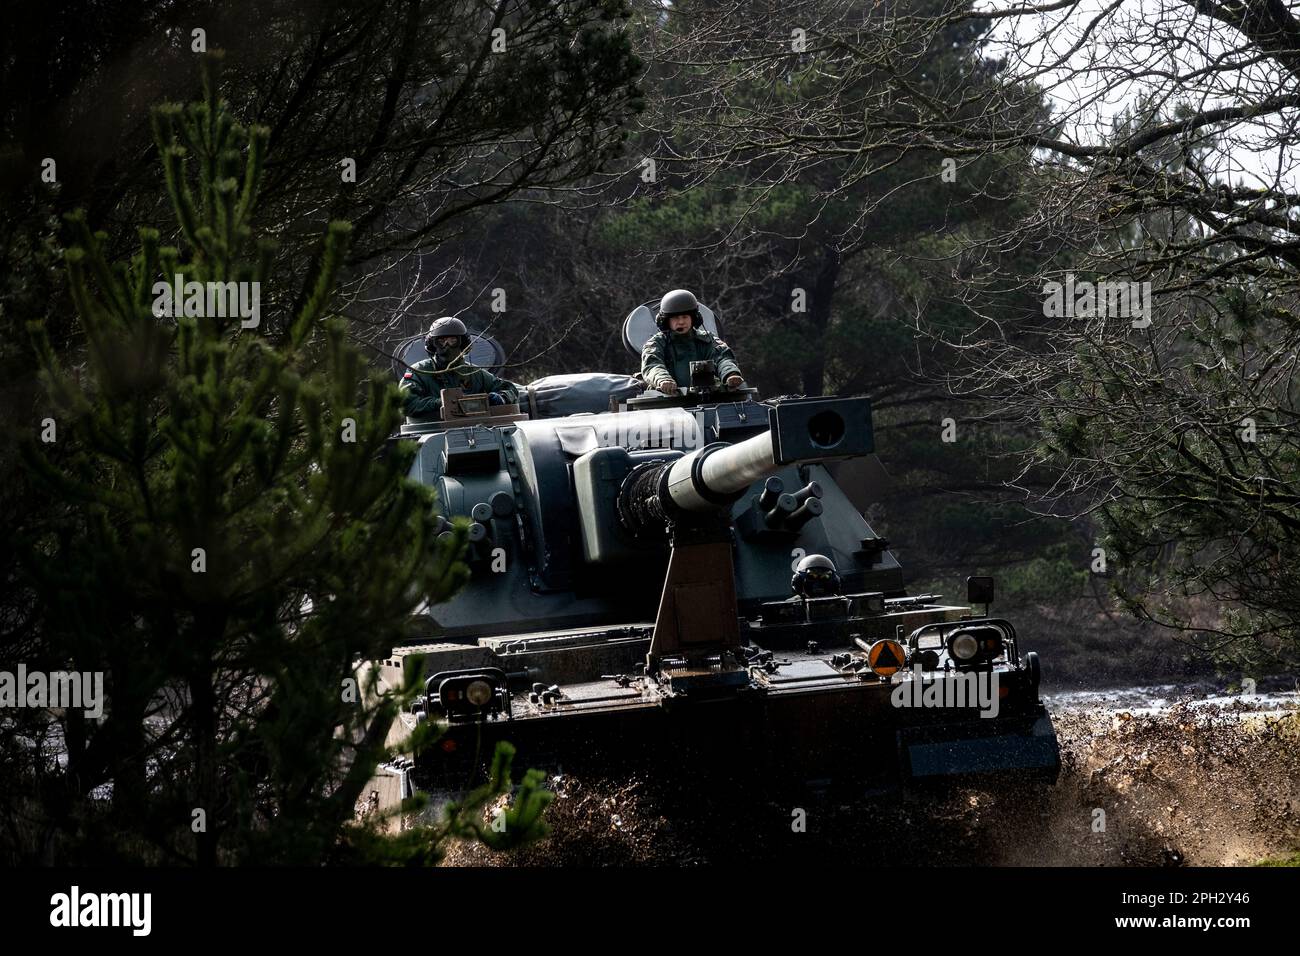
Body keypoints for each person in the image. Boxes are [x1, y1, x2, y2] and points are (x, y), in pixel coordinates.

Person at [400, 316, 519, 420]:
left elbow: (510, 389)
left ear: (463, 343)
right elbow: (404, 404)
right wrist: (442, 403)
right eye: (442, 341)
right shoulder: (419, 372)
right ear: (432, 344)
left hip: (472, 428)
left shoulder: (474, 373)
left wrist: (500, 398)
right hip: (432, 429)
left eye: (452, 340)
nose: (447, 346)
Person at [640, 289, 745, 396]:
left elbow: (722, 358)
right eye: (676, 317)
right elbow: (652, 365)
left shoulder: (707, 339)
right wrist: (662, 380)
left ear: (694, 318)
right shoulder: (656, 344)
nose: (681, 322)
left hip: (707, 398)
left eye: (685, 317)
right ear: (666, 321)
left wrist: (730, 373)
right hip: (667, 401)